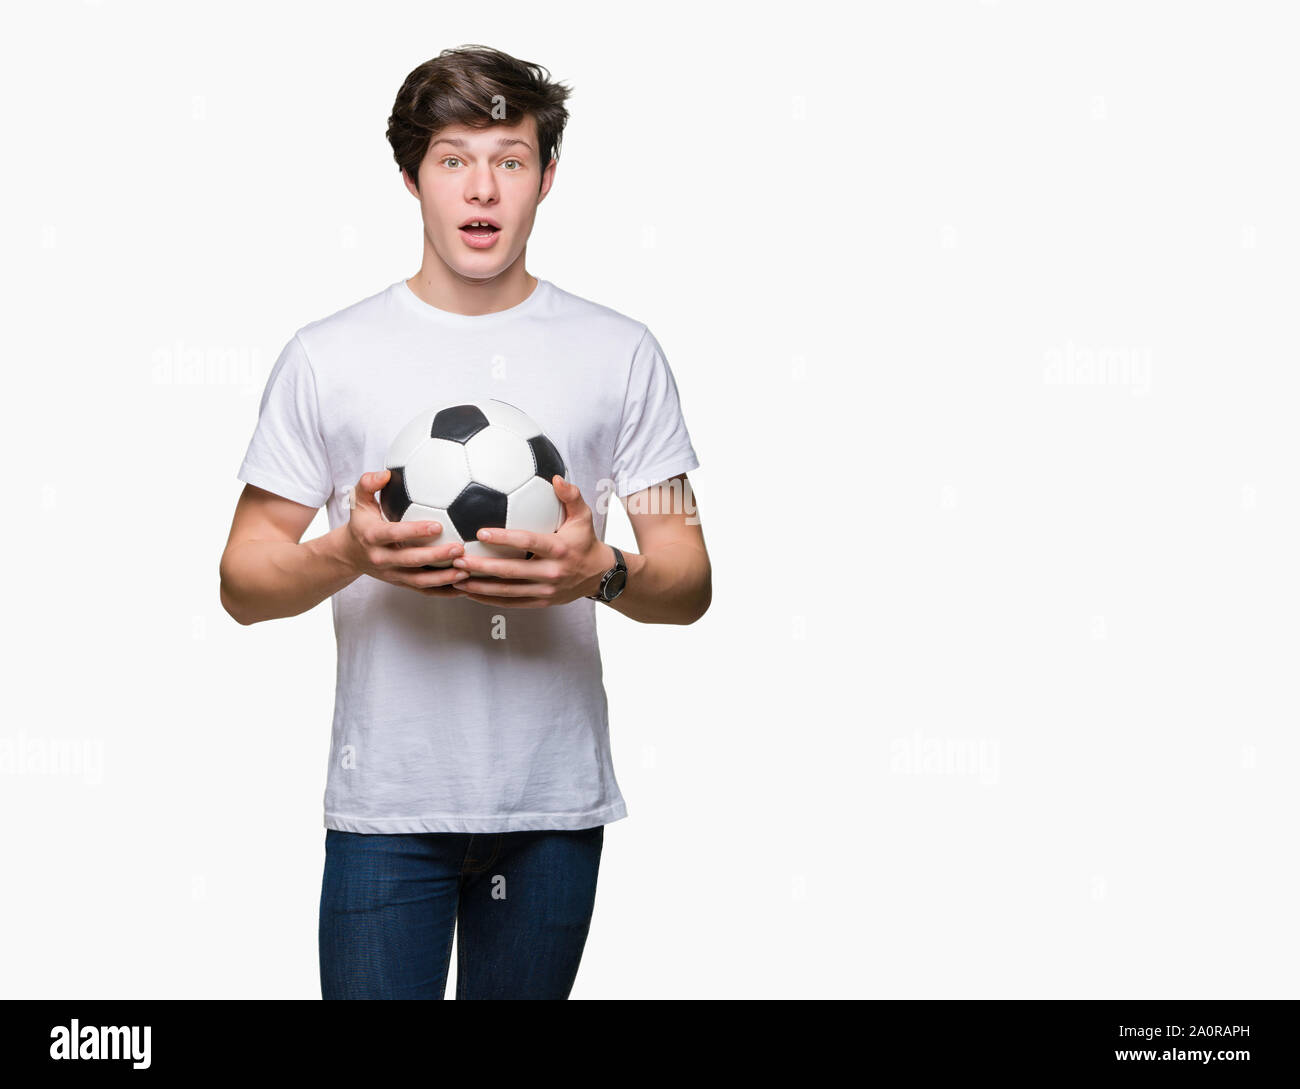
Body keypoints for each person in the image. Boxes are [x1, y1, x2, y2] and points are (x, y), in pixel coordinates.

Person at [218, 44, 710, 1000]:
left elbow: (688, 576)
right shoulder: (327, 357)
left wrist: (598, 570)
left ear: (547, 176)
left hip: (552, 810)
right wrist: (347, 551)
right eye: (453, 158)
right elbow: (242, 578)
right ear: (412, 177)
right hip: (386, 813)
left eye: (510, 159)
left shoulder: (624, 353)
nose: (482, 189)